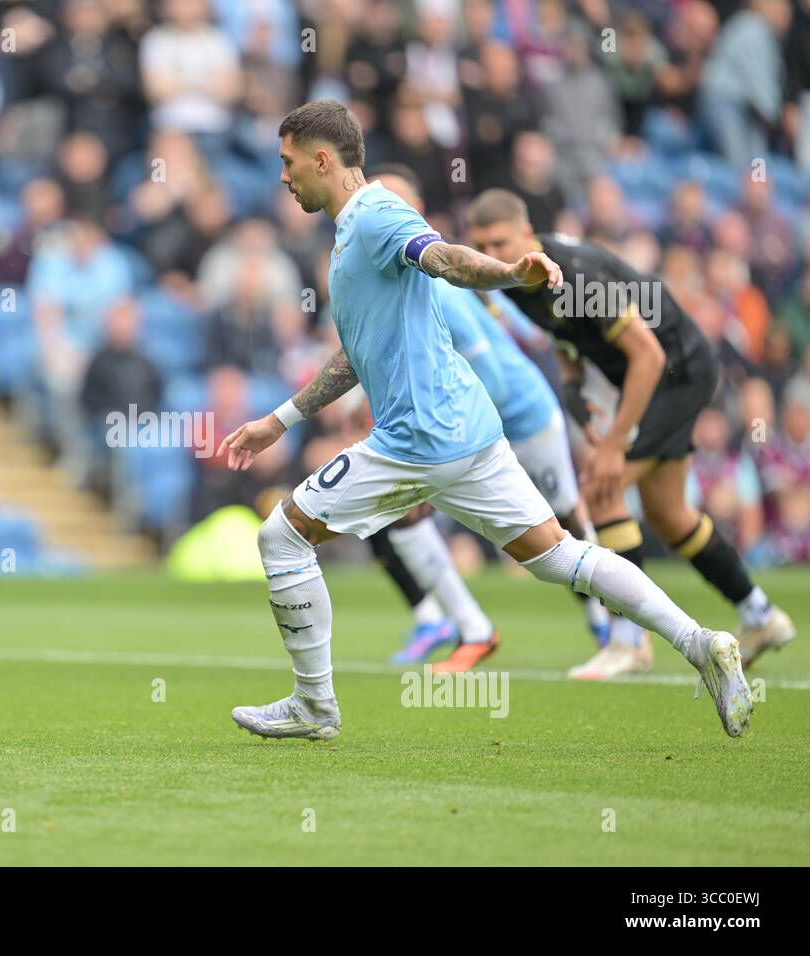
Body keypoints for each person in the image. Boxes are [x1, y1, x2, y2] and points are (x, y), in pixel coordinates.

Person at [218, 101, 751, 741]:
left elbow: (445, 259)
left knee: (282, 537)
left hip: (416, 439)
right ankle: (701, 642)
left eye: (288, 161)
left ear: (322, 159)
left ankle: (314, 705)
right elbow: (356, 356)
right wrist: (279, 420)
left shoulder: (377, 214)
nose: (282, 176)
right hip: (469, 432)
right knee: (559, 555)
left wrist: (509, 273)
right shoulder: (351, 231)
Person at [464, 187, 795, 669]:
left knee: (603, 488)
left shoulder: (577, 276)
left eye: (499, 242)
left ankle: (630, 641)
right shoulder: (515, 279)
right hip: (661, 375)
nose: (491, 253)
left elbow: (649, 355)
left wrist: (614, 444)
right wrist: (574, 385)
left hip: (676, 371)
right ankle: (760, 613)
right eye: (481, 245)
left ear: (527, 232)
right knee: (668, 514)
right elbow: (565, 333)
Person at [366, 164, 625, 678]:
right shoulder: (399, 282)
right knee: (398, 512)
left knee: (562, 524)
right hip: (463, 427)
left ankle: (608, 623)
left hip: (521, 418)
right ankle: (466, 628)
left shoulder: (436, 286)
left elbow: (493, 374)